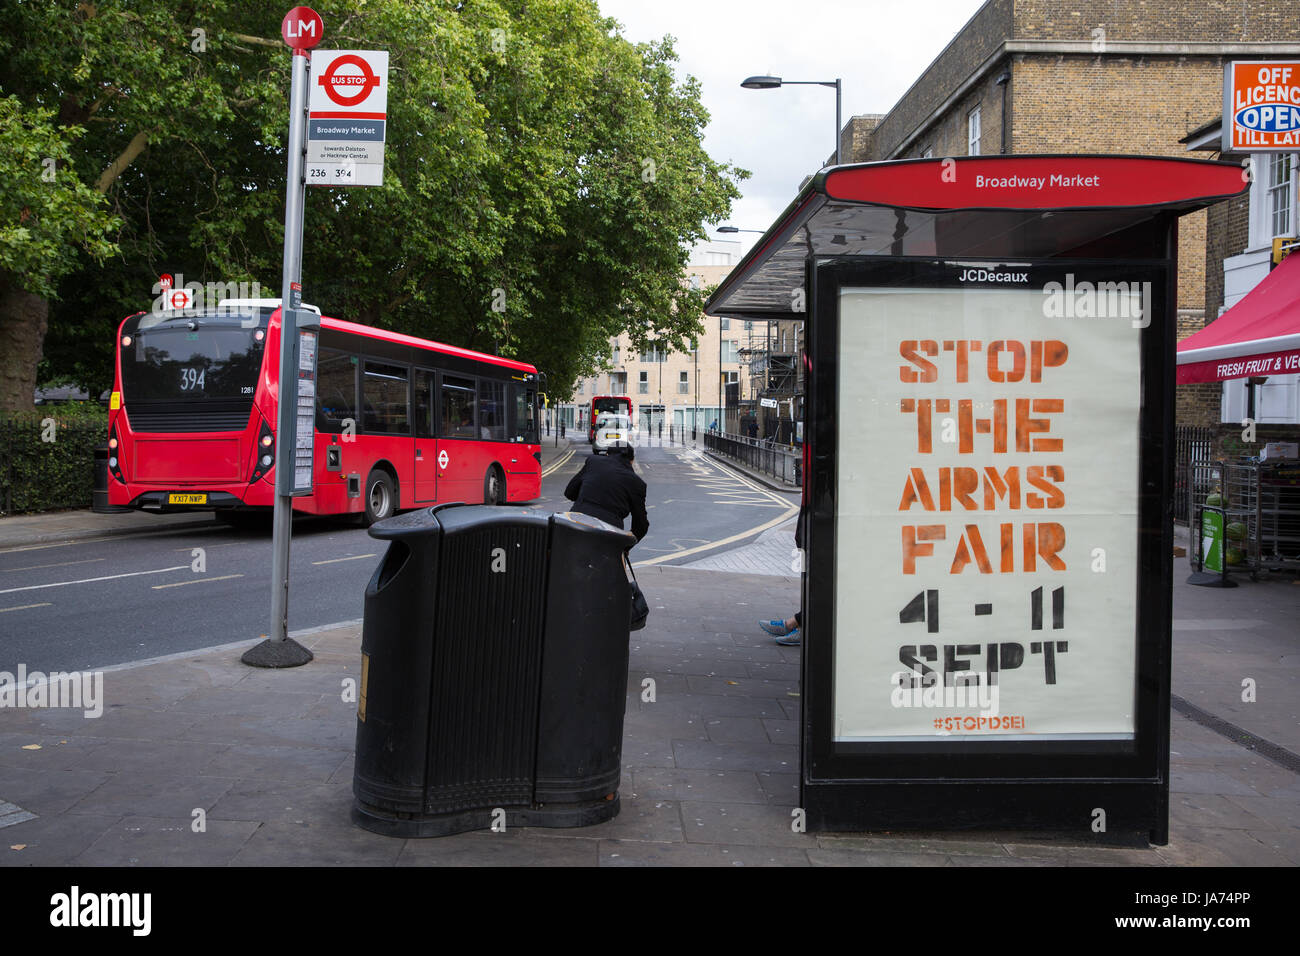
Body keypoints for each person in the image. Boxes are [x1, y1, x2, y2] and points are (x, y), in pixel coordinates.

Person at [563, 442, 649, 542]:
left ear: (607, 455)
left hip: (577, 524)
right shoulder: (637, 483)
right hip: (609, 535)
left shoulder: (593, 461)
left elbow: (570, 492)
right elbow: (641, 526)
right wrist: (625, 547)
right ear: (632, 461)